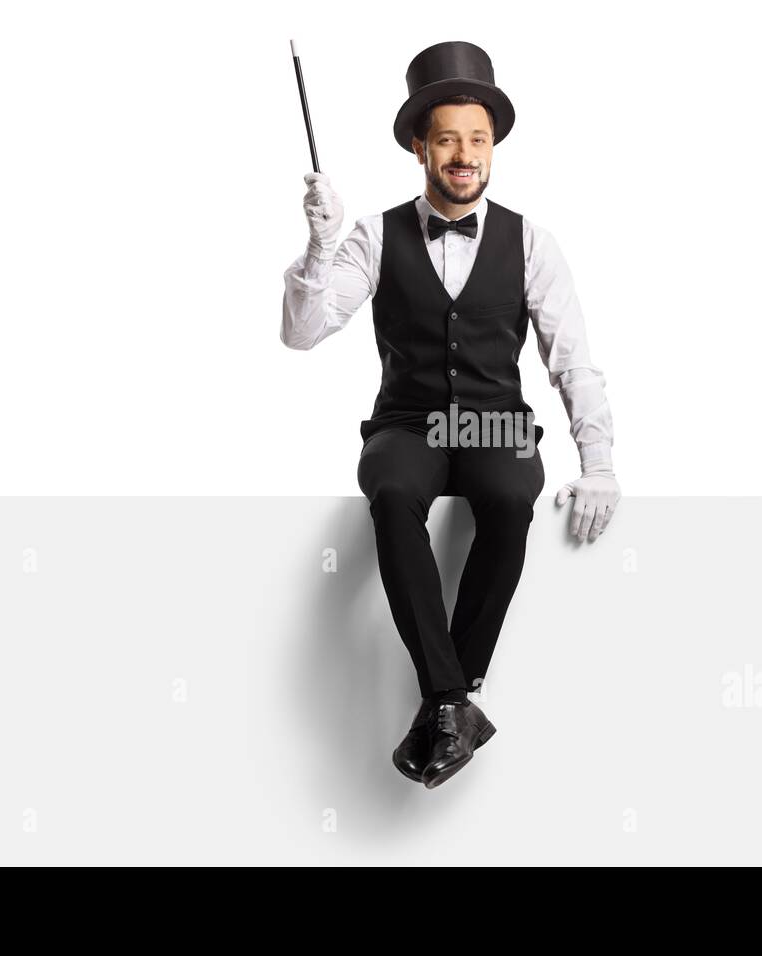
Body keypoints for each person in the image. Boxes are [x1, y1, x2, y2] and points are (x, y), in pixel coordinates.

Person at [280, 41, 619, 789]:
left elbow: (572, 360)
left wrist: (600, 464)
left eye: (477, 139)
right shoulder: (373, 234)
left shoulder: (532, 241)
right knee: (394, 492)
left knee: (507, 497)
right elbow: (302, 333)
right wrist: (318, 244)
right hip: (407, 423)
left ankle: (449, 700)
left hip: (495, 425)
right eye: (447, 139)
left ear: (492, 145)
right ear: (418, 146)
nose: (464, 154)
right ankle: (452, 697)